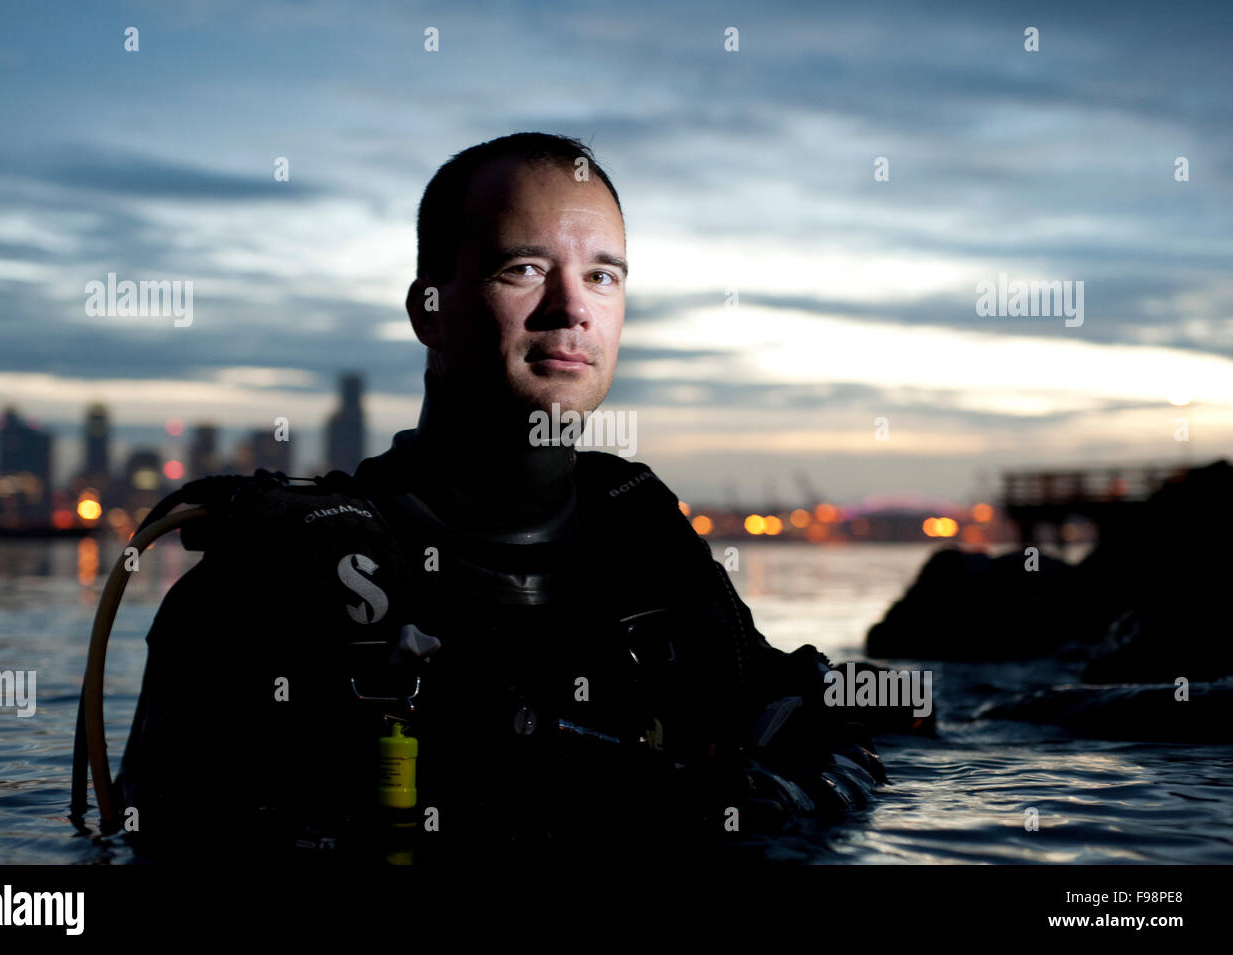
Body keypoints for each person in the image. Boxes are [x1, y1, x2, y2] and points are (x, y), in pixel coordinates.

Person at [115, 132, 901, 863]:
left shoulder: (642, 534)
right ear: (429, 311)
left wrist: (774, 794)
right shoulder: (289, 574)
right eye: (522, 269)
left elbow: (807, 721)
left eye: (602, 275)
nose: (572, 308)